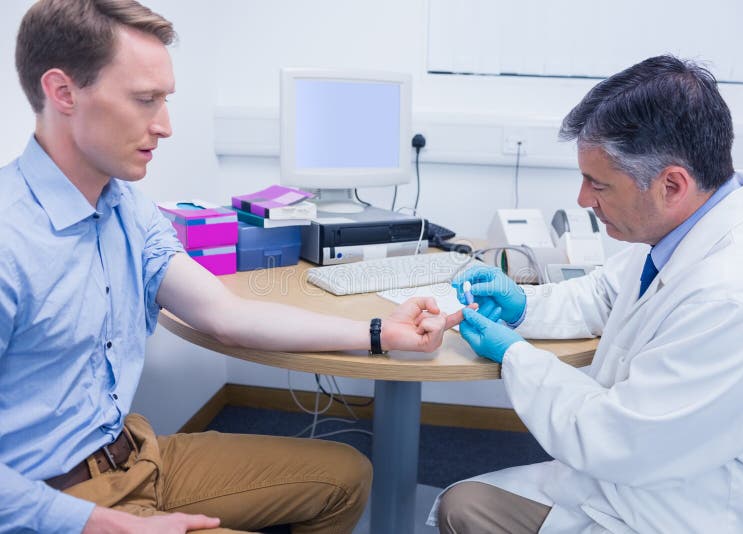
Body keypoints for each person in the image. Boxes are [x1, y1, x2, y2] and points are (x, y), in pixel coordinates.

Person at [0, 1, 462, 532]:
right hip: (51, 503)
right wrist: (102, 523)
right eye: (145, 100)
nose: (166, 125)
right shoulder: (10, 239)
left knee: (347, 476)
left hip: (135, 458)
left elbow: (224, 313)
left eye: (165, 100)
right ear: (63, 92)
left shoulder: (125, 206)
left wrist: (382, 331)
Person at [432, 55, 743, 533]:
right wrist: (525, 308)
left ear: (671, 184)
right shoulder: (689, 229)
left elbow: (613, 438)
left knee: (464, 508)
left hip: (697, 511)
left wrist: (515, 356)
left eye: (597, 183)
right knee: (462, 504)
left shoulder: (733, 298)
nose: (584, 199)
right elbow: (607, 294)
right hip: (659, 477)